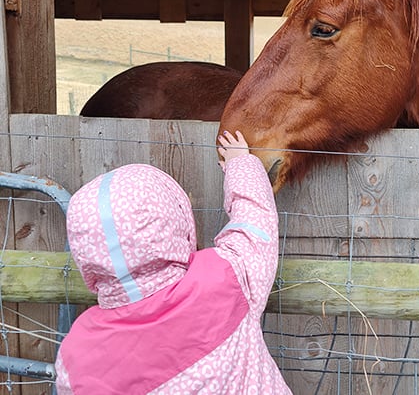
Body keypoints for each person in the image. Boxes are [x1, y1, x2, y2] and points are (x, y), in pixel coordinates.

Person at [55, 130, 292, 394]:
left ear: (85, 252)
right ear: (175, 221)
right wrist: (242, 164)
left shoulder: (77, 355)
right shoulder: (224, 281)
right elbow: (255, 224)